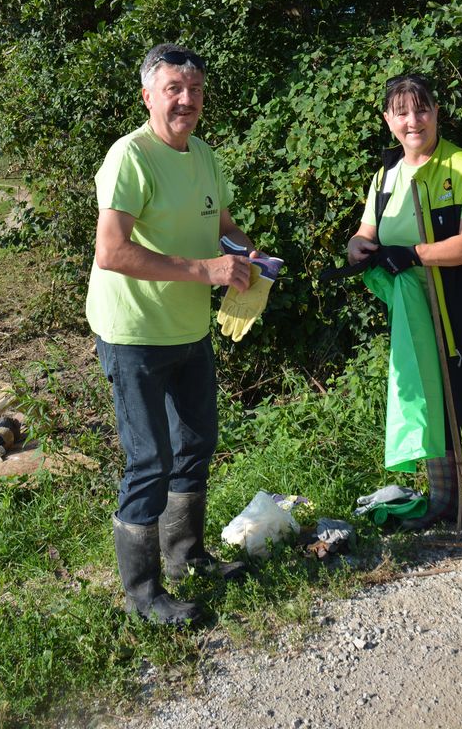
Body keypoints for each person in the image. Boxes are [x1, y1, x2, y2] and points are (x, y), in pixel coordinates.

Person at [86, 43, 261, 624]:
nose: (185, 101)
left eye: (194, 91)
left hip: (188, 329)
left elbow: (224, 229)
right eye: (173, 90)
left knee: (195, 445)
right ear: (148, 97)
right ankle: (144, 594)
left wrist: (248, 257)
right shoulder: (129, 157)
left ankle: (186, 557)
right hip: (133, 331)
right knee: (148, 460)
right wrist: (206, 271)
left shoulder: (206, 156)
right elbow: (111, 252)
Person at [347, 73, 462, 540]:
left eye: (421, 109)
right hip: (415, 318)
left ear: (436, 112)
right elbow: (367, 232)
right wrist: (357, 248)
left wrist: (415, 253)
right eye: (401, 112)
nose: (412, 121)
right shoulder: (385, 176)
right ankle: (444, 500)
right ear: (388, 120)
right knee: (434, 409)